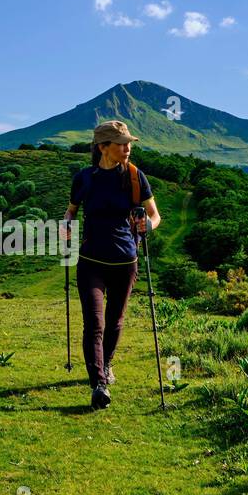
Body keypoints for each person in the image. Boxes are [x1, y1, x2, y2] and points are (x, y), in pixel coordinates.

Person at [61, 120, 161, 409]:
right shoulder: (84, 178)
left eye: (129, 142)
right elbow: (71, 211)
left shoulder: (134, 176)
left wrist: (147, 227)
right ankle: (99, 384)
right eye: (121, 143)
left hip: (125, 261)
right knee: (94, 323)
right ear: (103, 147)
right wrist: (66, 225)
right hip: (91, 261)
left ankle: (107, 364)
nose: (128, 148)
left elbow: (155, 216)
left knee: (115, 321)